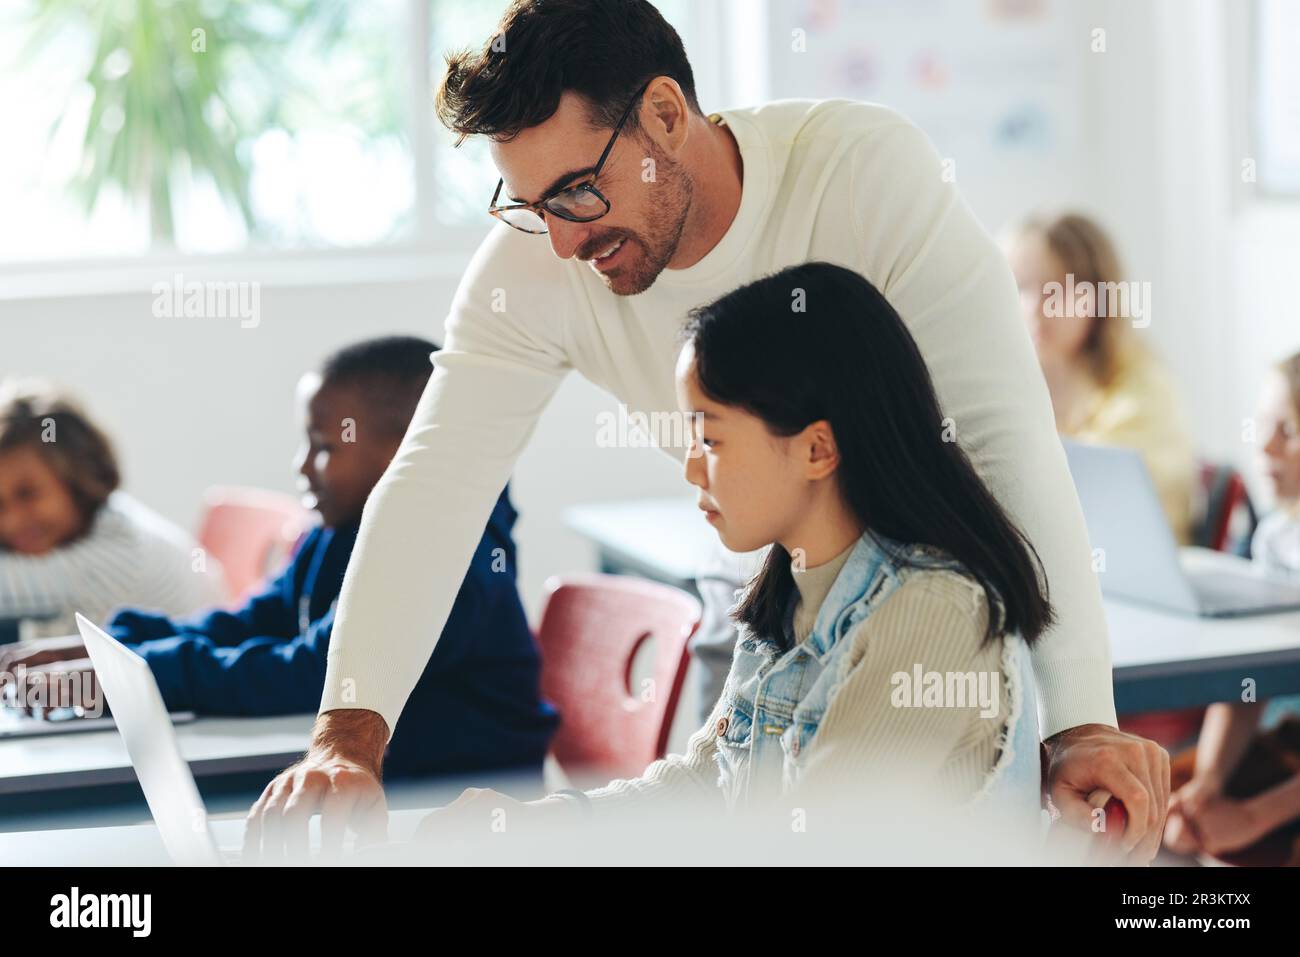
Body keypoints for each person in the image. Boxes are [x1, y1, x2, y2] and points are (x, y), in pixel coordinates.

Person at [245, 0, 1168, 862]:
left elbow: (1006, 440)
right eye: (528, 206)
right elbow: (434, 487)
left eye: (575, 191)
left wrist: (1079, 718)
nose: (561, 243)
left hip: (923, 633)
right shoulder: (535, 261)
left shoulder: (861, 172)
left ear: (663, 112)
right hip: (768, 595)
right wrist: (348, 740)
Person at [418, 263, 1055, 844]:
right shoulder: (791, 582)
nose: (692, 469)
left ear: (816, 450)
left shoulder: (934, 611)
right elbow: (709, 779)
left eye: (710, 439)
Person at [0, 337, 557, 783]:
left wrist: (141, 676)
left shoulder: (450, 559)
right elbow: (252, 621)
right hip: (386, 784)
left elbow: (312, 674)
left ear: (408, 450)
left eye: (324, 447)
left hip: (461, 800)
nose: (302, 466)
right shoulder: (334, 536)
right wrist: (119, 649)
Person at [1161, 352, 1300, 864]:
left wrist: (1256, 817)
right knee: (1157, 804)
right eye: (1264, 425)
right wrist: (1210, 782)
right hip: (1283, 739)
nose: (1265, 445)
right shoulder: (1278, 539)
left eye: (1288, 429)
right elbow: (1247, 683)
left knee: (1230, 849)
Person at [1005, 212, 1195, 543]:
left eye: (1055, 289)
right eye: (1020, 287)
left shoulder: (1142, 387)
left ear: (1096, 295)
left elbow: (1098, 509)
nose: (1034, 307)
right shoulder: (1012, 383)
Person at [0, 379, 224, 632]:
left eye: (28, 494)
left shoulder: (110, 561)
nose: (11, 521)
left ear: (77, 478)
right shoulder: (110, 515)